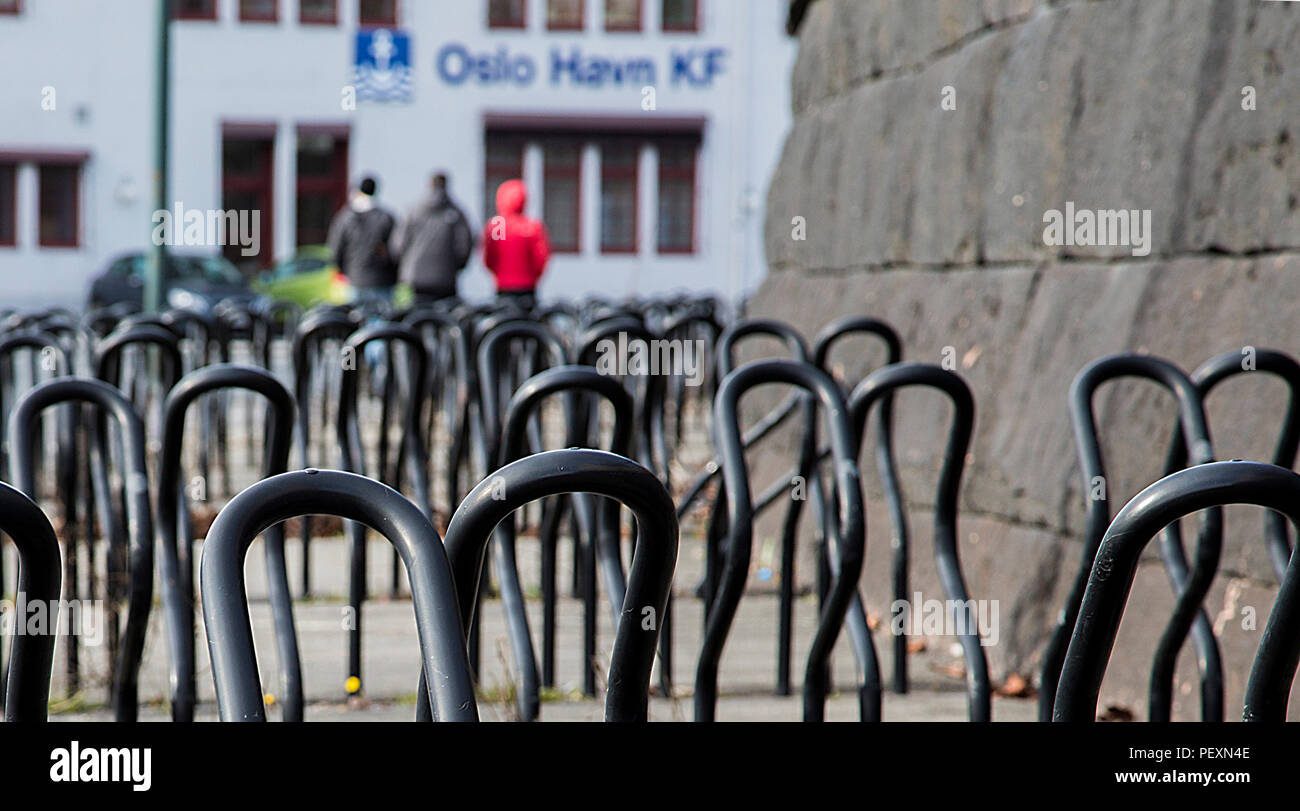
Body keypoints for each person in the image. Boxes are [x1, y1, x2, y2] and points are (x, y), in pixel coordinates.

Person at [392, 172, 474, 307]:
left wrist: (404, 266)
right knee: (444, 320)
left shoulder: (413, 211)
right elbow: (464, 246)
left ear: (429, 186)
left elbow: (398, 244)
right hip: (445, 279)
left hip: (414, 278)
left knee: (415, 319)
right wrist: (455, 267)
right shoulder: (456, 213)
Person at [326, 176, 397, 309]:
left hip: (355, 279)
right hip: (382, 281)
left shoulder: (345, 218)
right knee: (383, 326)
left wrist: (342, 272)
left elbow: (335, 251)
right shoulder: (386, 218)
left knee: (356, 323)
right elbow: (396, 251)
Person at [482, 179, 550, 311]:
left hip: (503, 287)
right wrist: (533, 276)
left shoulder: (499, 225)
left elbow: (490, 256)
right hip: (528, 288)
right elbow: (540, 259)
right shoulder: (532, 226)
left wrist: (498, 273)